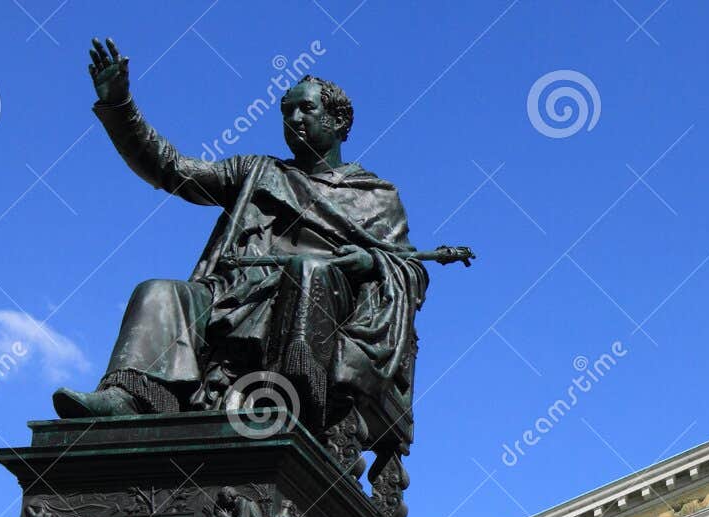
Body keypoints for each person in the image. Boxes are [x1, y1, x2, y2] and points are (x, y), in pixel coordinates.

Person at [52, 39, 429, 427]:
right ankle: (132, 396)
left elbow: (410, 271)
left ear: (338, 121)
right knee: (159, 291)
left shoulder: (376, 196)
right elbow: (171, 168)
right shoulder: (255, 171)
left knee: (307, 271)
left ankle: (295, 397)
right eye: (287, 111)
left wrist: (369, 261)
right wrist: (120, 106)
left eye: (306, 108)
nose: (295, 118)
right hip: (236, 294)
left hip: (320, 306)